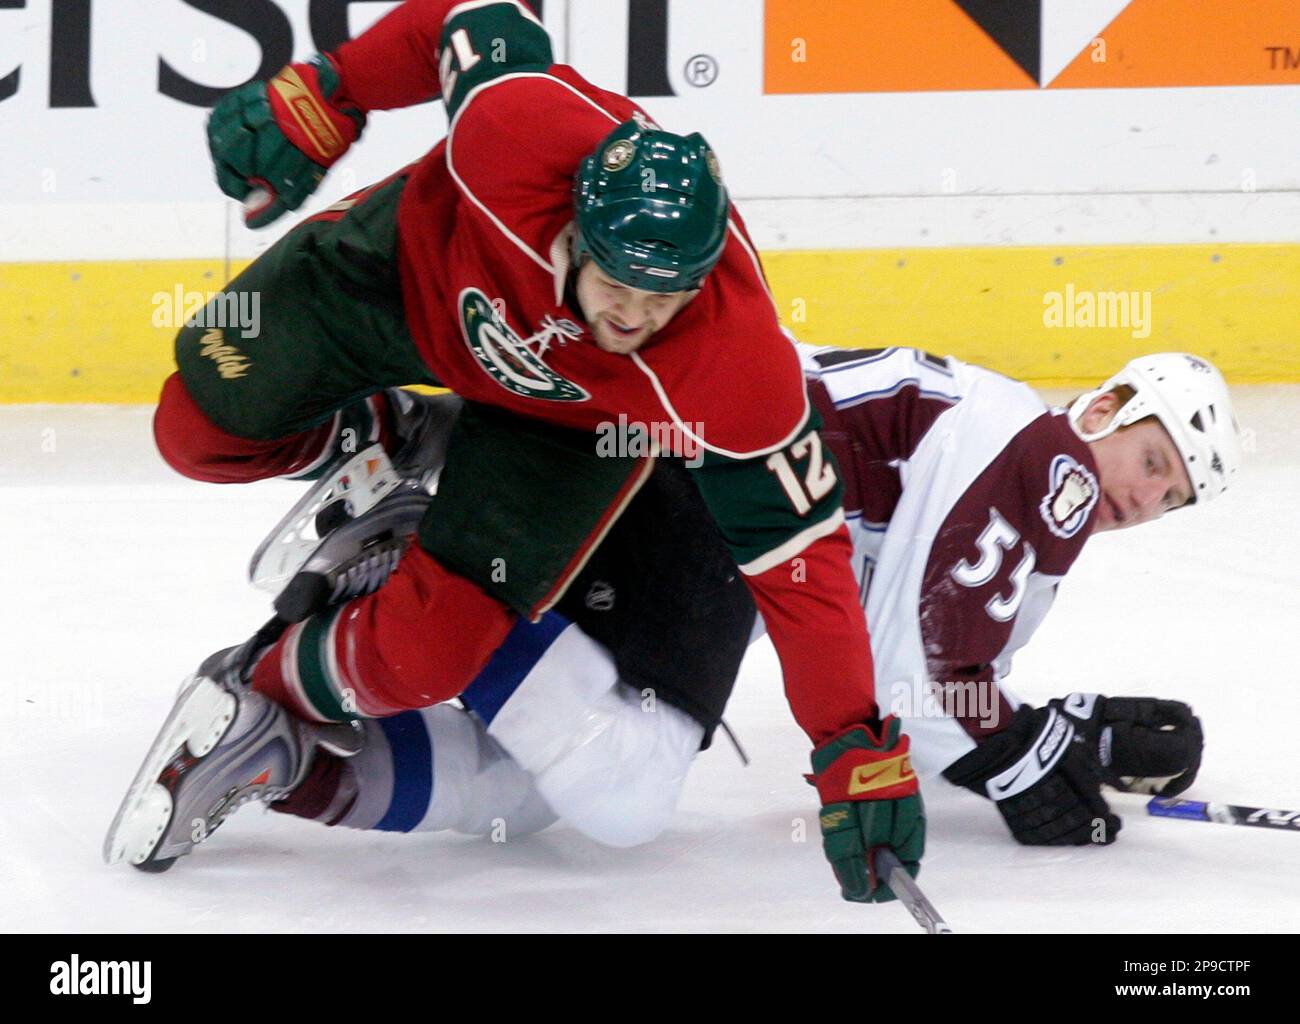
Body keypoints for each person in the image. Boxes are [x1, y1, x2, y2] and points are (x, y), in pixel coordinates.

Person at [104, 0, 921, 901]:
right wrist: (335, 88)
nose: (631, 316)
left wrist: (851, 743)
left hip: (561, 426)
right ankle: (393, 431)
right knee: (195, 432)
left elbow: (802, 571)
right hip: (394, 279)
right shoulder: (516, 133)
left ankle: (269, 696)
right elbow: (470, 3)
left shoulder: (737, 369)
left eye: (665, 297)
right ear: (577, 220)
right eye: (617, 281)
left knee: (428, 654)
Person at [262, 344, 1238, 852]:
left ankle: (288, 758)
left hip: (663, 462)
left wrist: (1067, 734)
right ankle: (419, 567)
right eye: (1152, 460)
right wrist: (1027, 760)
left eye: (1170, 500)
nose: (1144, 497)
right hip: (705, 479)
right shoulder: (1050, 465)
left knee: (536, 789)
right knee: (626, 787)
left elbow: (957, 680)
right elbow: (922, 686)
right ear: (1102, 408)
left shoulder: (1018, 474)